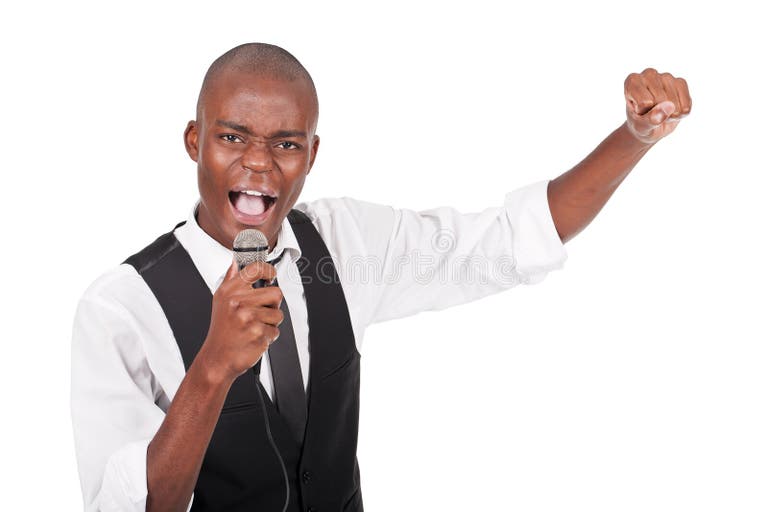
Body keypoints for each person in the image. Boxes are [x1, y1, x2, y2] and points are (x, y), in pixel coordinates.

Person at [70, 43, 691, 512]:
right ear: (193, 140)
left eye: (286, 144)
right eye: (232, 137)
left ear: (312, 154)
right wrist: (210, 370)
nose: (257, 163)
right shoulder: (120, 308)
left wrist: (633, 138)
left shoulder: (342, 245)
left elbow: (511, 240)